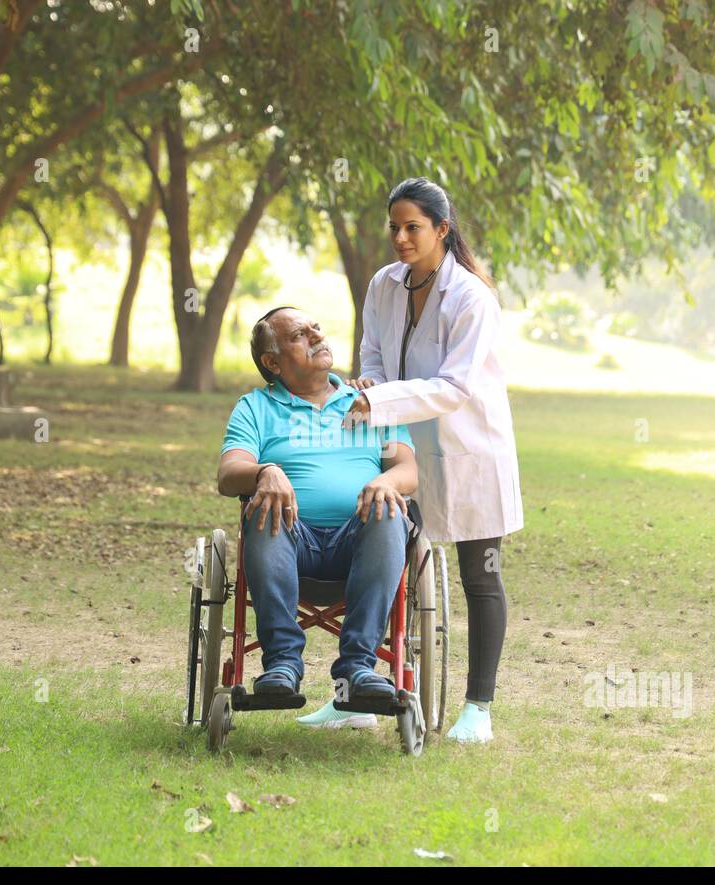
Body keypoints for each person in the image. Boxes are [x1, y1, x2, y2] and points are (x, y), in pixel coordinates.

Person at [314, 176, 524, 744]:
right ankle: (357, 693)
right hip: (399, 445)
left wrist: (375, 398)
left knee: (480, 575)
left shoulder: (472, 297)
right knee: (386, 563)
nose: (401, 238)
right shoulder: (384, 284)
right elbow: (375, 356)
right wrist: (369, 386)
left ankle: (478, 707)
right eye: (395, 228)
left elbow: (455, 386)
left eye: (413, 228)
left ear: (442, 231)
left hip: (468, 449)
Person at [216, 307, 418, 703]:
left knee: (389, 506)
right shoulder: (255, 407)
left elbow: (407, 468)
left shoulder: (370, 401)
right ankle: (282, 664)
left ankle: (358, 667)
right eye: (299, 335)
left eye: (316, 328)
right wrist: (264, 471)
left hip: (361, 538)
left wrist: (385, 480)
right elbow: (228, 474)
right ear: (272, 362)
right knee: (261, 505)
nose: (315, 335)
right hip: (288, 541)